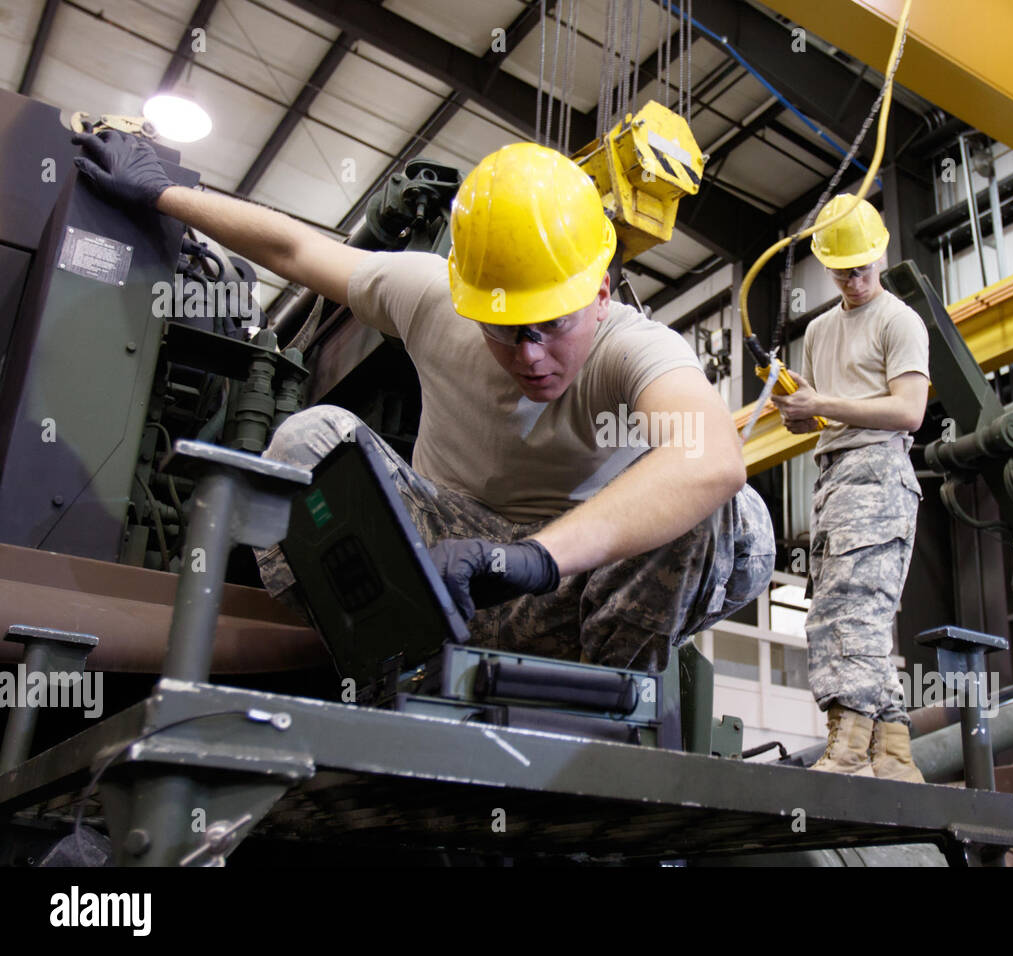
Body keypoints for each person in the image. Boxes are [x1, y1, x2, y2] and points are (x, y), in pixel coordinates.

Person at [72, 131, 775, 674]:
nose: (530, 357)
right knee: (309, 437)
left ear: (598, 293)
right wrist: (162, 195)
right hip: (439, 579)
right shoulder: (430, 296)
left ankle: (605, 708)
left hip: (575, 595)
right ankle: (372, 655)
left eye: (550, 328)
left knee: (732, 512)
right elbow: (293, 248)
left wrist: (532, 558)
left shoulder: (636, 347)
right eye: (505, 332)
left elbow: (710, 457)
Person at [771, 195, 930, 779]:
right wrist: (798, 412)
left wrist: (824, 404)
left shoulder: (899, 321)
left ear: (881, 255)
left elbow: (910, 410)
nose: (854, 280)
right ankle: (892, 756)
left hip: (878, 472)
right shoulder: (817, 331)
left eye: (861, 268)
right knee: (847, 610)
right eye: (841, 271)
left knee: (849, 612)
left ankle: (846, 748)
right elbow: (818, 418)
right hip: (834, 475)